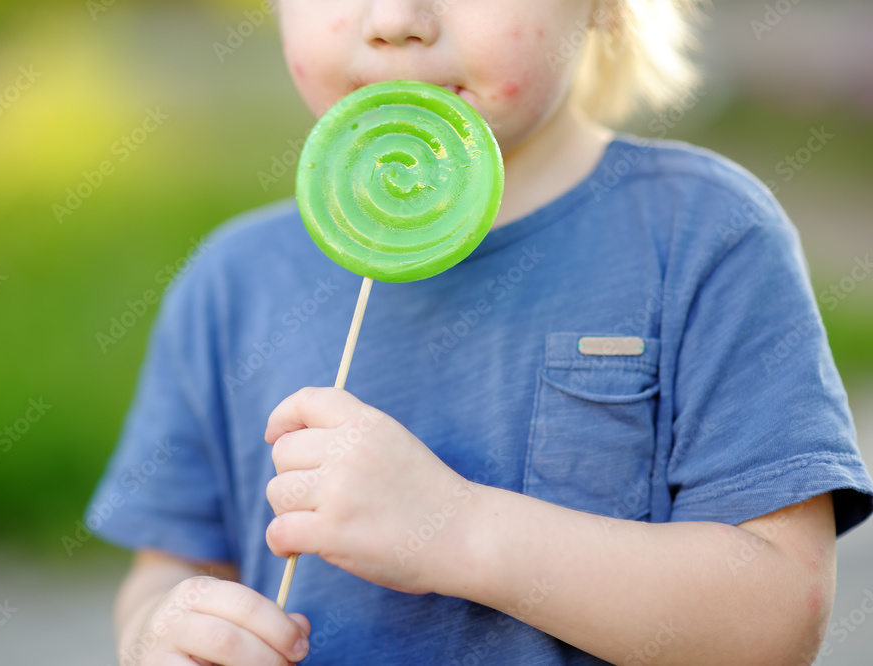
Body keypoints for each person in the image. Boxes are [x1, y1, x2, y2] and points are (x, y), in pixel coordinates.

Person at [86, 1, 873, 664]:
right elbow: (173, 568)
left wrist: (459, 529)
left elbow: (778, 616)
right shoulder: (232, 281)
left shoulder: (704, 238)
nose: (396, 19)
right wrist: (161, 632)